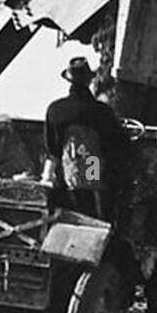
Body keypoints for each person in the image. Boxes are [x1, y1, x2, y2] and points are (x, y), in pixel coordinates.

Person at [42, 57, 130, 221]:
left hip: (67, 182)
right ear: (90, 80)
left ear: (69, 80)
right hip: (96, 180)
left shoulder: (55, 110)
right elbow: (120, 147)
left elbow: (52, 150)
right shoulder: (102, 111)